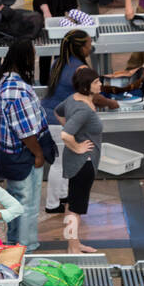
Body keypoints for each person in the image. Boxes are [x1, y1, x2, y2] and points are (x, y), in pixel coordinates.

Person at [42, 29, 117, 213]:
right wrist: (112, 103)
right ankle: (52, 204)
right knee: (59, 163)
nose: (91, 48)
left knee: (61, 160)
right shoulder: (80, 68)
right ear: (80, 48)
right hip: (57, 120)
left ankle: (61, 195)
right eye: (89, 44)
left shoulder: (59, 61)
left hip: (49, 114)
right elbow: (93, 95)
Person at [0, 38, 47, 253]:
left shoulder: (1, 81)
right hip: (23, 154)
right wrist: (38, 153)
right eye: (32, 54)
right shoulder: (16, 90)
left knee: (15, 202)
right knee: (27, 204)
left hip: (7, 152)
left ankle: (13, 241)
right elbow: (26, 131)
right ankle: (25, 248)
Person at [56, 66, 104, 254]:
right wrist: (78, 146)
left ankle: (75, 242)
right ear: (86, 86)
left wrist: (75, 134)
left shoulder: (72, 98)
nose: (100, 84)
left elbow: (58, 112)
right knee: (75, 209)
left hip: (78, 162)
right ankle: (73, 247)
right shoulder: (84, 110)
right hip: (82, 163)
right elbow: (66, 135)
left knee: (73, 205)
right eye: (96, 82)